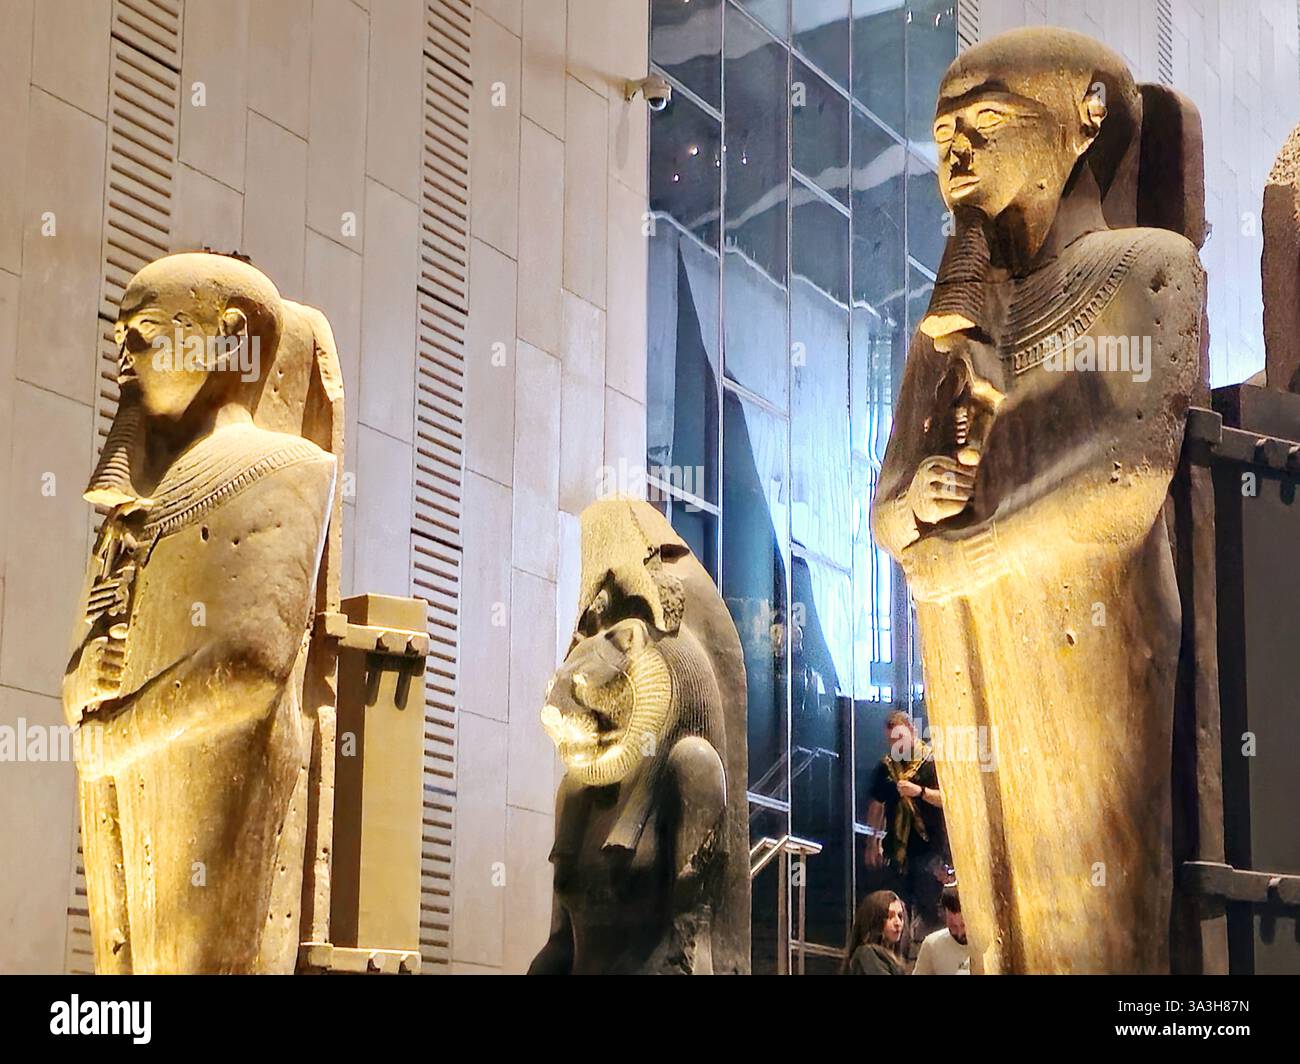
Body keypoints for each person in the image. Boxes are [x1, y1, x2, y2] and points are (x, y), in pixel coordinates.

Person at [865, 711, 950, 936]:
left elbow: (948, 800)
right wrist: (871, 841)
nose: (896, 745)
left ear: (912, 731)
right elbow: (877, 803)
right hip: (897, 853)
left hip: (930, 850)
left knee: (932, 911)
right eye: (891, 741)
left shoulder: (931, 761)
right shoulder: (887, 767)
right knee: (893, 913)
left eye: (900, 738)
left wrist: (920, 792)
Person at [843, 891, 908, 975]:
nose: (898, 923)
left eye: (900, 916)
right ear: (875, 921)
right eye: (890, 916)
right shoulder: (866, 953)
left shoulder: (893, 957)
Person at [913, 886, 970, 975]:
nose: (959, 934)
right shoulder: (932, 945)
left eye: (963, 926)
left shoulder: (990, 946)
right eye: (953, 927)